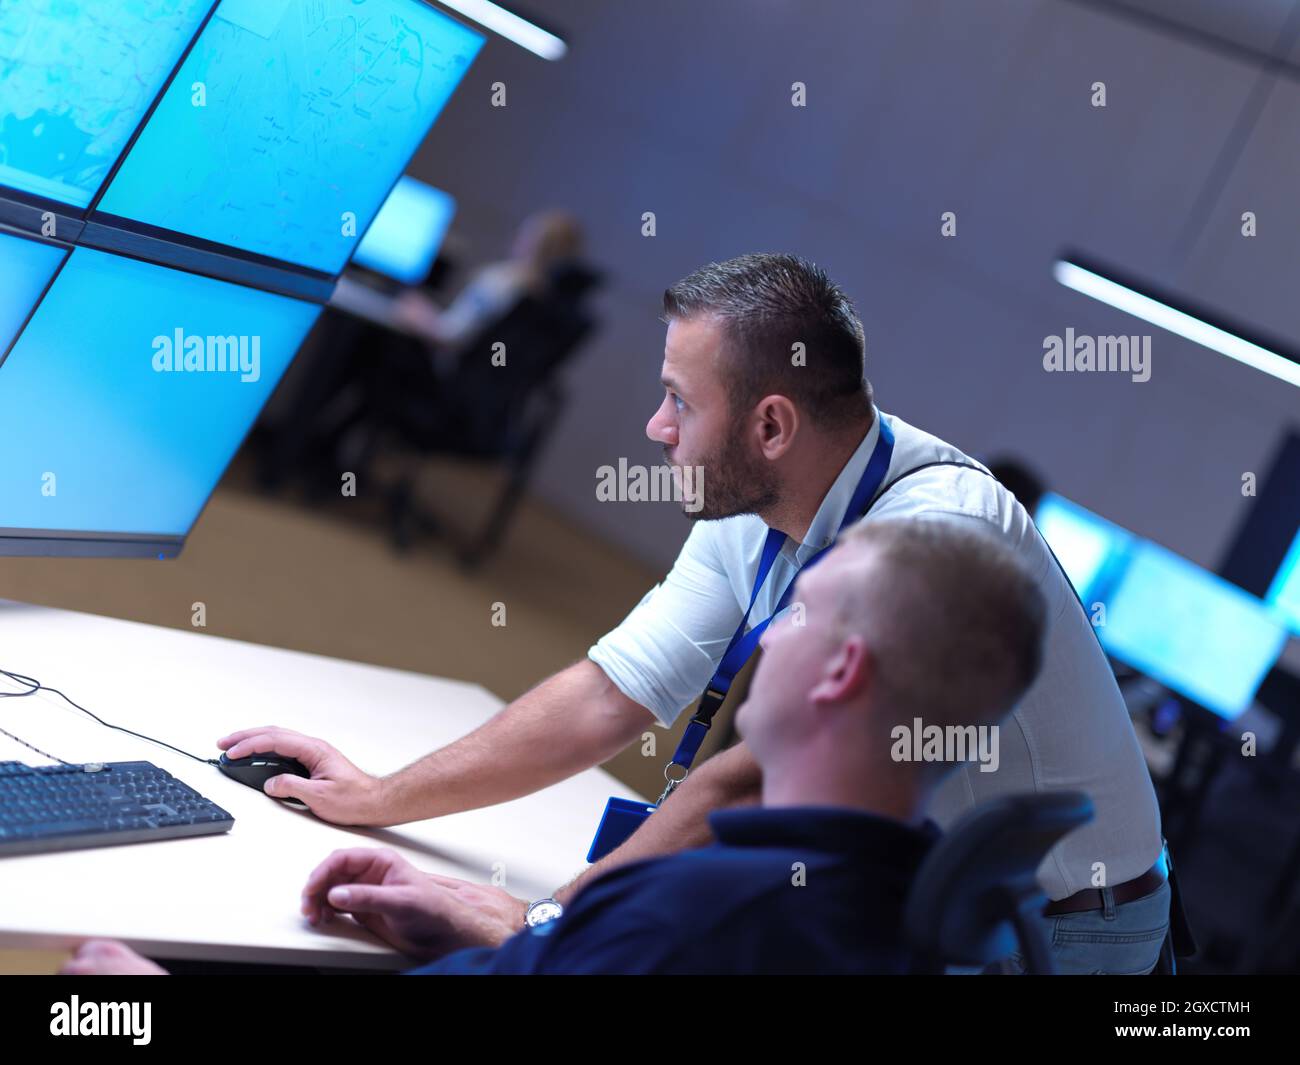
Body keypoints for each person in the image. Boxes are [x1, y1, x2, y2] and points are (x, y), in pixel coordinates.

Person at [206, 253, 1169, 974]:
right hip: (913, 869)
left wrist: (545, 927)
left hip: (1069, 926)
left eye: (677, 401)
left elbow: (744, 786)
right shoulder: (767, 490)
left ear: (771, 425)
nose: (654, 428)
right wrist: (380, 795)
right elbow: (607, 694)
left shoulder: (935, 537)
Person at [62, 519, 1047, 975]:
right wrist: (515, 934)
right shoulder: (885, 909)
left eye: (798, 618)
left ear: (839, 674)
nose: (766, 638)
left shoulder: (700, 917)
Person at [391, 209, 585, 350]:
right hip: (489, 393)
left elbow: (450, 337)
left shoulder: (499, 283)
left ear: (530, 242)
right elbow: (497, 357)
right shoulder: (552, 301)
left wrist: (418, 314)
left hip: (449, 381)